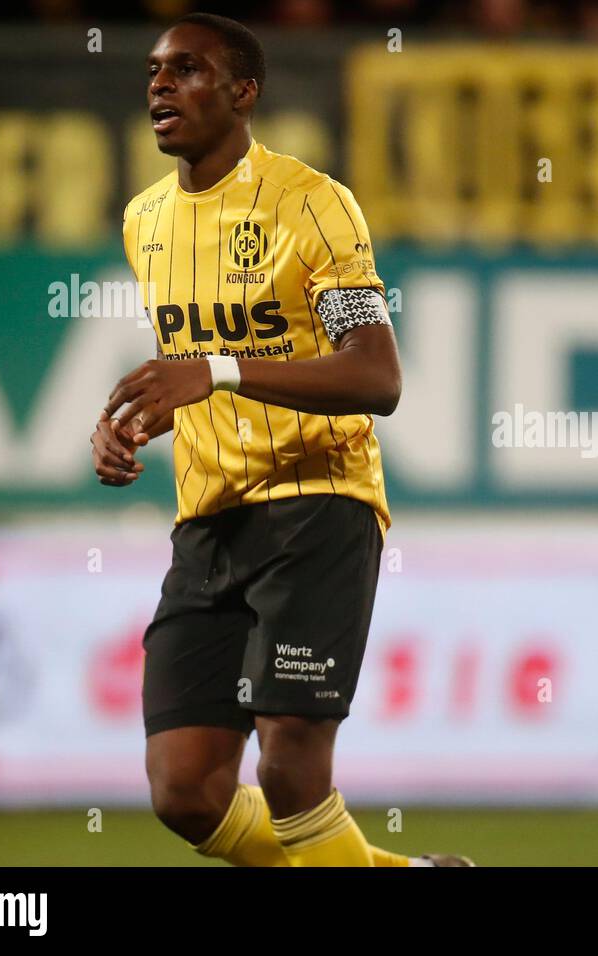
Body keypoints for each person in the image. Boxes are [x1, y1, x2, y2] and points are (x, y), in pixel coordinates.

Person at [90, 12, 470, 867]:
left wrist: (217, 370)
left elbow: (377, 377)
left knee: (292, 762)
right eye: (154, 70)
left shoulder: (315, 205)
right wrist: (125, 421)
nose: (158, 84)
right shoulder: (144, 221)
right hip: (208, 520)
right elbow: (188, 360)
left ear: (243, 91)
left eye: (186, 70)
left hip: (315, 506)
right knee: (185, 789)